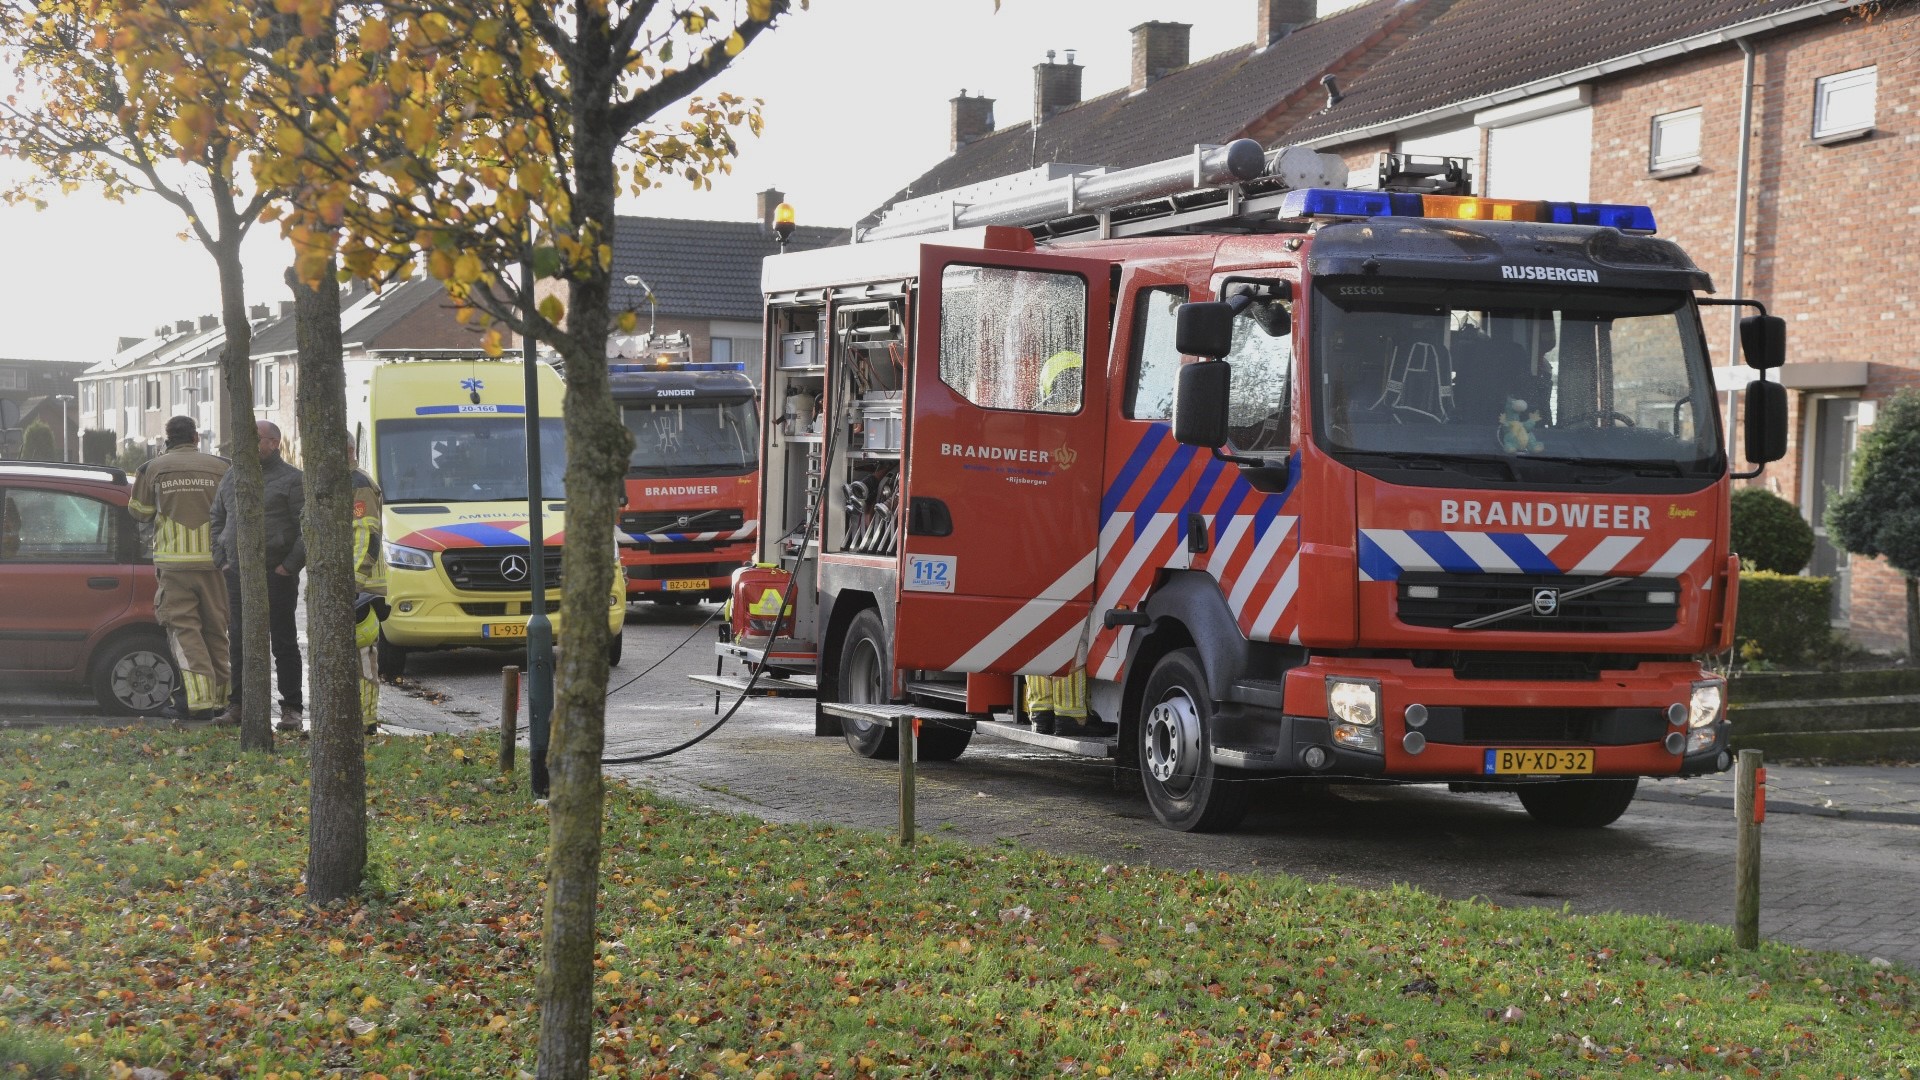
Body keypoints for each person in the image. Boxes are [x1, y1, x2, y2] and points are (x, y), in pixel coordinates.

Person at [127, 415, 231, 721]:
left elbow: (140, 512)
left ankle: (198, 701)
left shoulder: (151, 469)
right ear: (196, 438)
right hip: (216, 563)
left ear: (167, 437)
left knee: (185, 631)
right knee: (217, 630)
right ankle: (224, 701)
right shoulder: (222, 467)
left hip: (175, 567)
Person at [211, 420, 306, 731]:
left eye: (258, 439)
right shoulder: (231, 477)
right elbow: (216, 518)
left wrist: (288, 567)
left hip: (276, 574)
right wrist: (221, 559)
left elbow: (306, 530)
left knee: (282, 641)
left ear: (274, 443)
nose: (250, 445)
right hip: (237, 573)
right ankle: (238, 704)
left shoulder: (293, 480)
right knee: (238, 639)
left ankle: (291, 708)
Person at [350, 440, 387, 730]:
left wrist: (354, 581)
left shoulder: (358, 483)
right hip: (358, 584)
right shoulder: (348, 480)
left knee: (364, 655)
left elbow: (367, 535)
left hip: (361, 586)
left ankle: (366, 720)